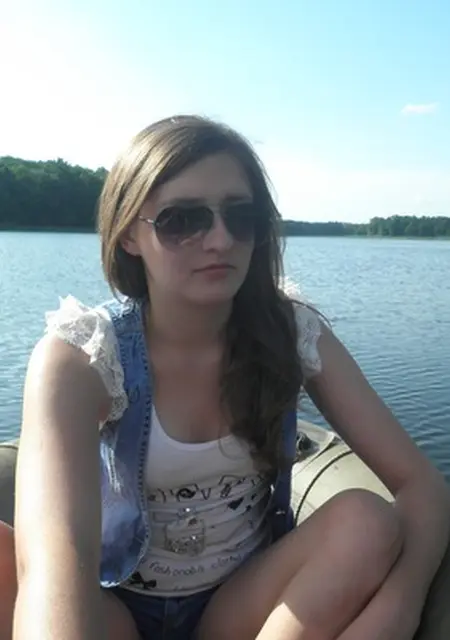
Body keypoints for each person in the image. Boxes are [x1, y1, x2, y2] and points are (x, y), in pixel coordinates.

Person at [0, 115, 449, 640]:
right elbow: (53, 565)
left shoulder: (291, 333)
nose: (220, 239)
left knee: (367, 521)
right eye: (181, 220)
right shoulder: (85, 356)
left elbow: (421, 486)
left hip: (240, 607)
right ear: (128, 235)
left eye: (241, 216)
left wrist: (400, 604)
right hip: (115, 607)